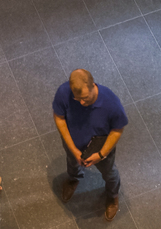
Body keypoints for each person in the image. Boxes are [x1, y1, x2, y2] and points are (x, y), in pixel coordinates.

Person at [53, 67, 128, 221]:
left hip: (100, 147)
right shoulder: (63, 92)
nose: (82, 102)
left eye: (85, 98)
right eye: (77, 99)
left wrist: (101, 155)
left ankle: (112, 196)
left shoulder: (112, 103)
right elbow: (59, 118)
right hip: (73, 145)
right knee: (72, 163)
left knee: (109, 172)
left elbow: (117, 130)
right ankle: (74, 178)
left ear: (93, 85)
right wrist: (73, 149)